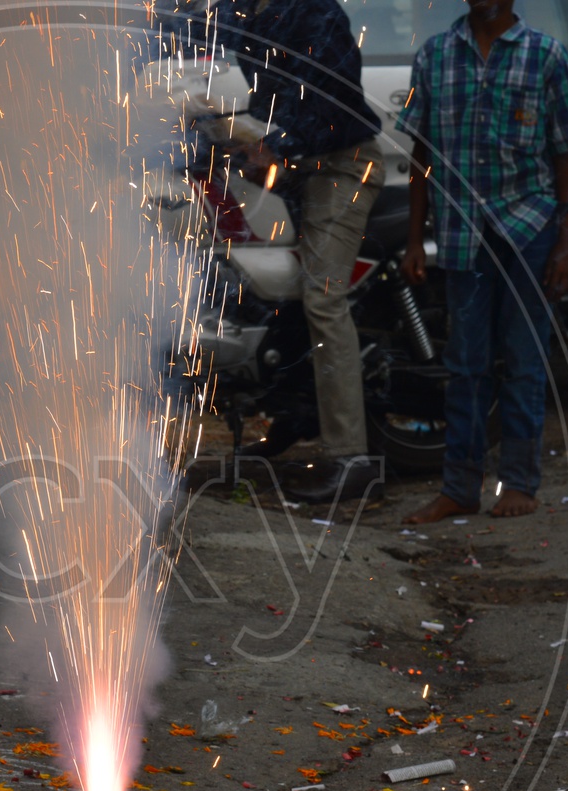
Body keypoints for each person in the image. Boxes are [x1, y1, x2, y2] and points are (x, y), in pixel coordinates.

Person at [396, 0, 568, 524]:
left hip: (529, 228)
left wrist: (567, 240)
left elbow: (567, 151)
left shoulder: (545, 56)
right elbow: (422, 155)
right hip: (462, 235)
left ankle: (520, 483)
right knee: (465, 365)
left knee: (525, 360)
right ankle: (459, 488)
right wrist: (416, 239)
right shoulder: (435, 57)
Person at [213, 0, 387, 504]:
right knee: (269, 285)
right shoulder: (240, 12)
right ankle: (295, 415)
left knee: (321, 297)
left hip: (340, 166)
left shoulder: (317, 14)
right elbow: (188, 35)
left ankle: (351, 457)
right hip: (293, 164)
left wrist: (278, 144)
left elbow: (329, 102)